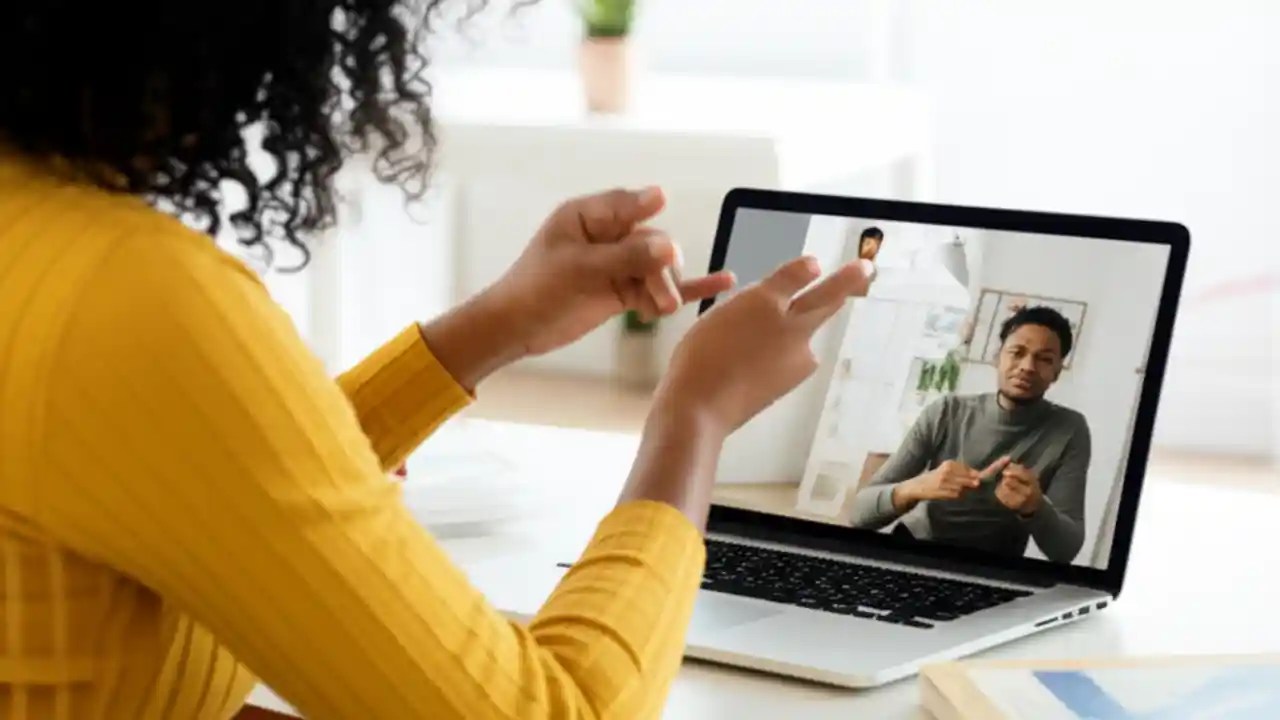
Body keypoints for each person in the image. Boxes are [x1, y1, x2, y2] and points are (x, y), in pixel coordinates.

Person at [0, 3, 873, 719]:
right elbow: (560, 711)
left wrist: (495, 326)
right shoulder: (131, 296)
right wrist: (696, 416)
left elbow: (215, 473)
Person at [848, 306, 1091, 563]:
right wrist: (916, 488)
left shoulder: (1069, 430)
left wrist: (1035, 508)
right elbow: (859, 513)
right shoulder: (946, 411)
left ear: (1056, 372)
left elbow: (1067, 550)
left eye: (1044, 359)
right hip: (914, 547)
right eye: (1017, 352)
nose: (1027, 367)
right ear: (997, 358)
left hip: (992, 567)